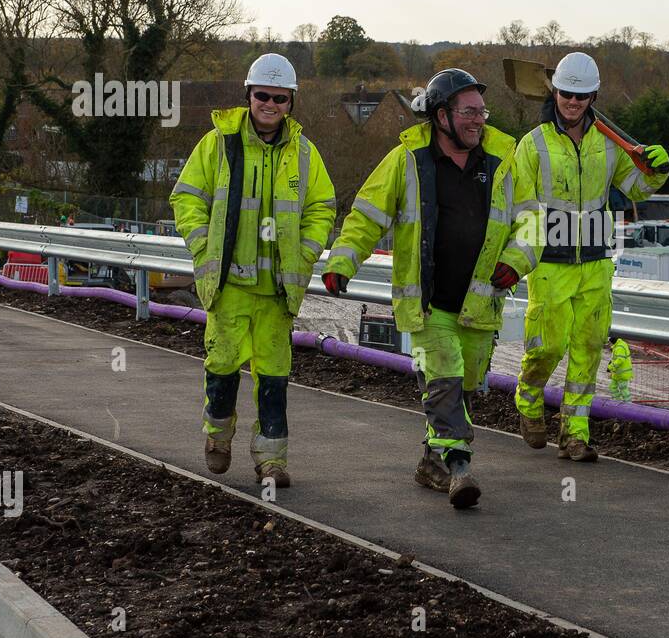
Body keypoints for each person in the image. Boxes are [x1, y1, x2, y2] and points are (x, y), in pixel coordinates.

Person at [322, 68, 539, 508]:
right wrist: (342, 262)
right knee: (444, 381)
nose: (479, 120)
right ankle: (459, 467)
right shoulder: (407, 161)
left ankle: (430, 461)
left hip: (480, 305)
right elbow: (367, 215)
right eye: (469, 112)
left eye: (482, 111)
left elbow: (532, 222)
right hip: (426, 304)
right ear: (441, 116)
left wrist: (516, 263)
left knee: (467, 388)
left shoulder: (503, 160)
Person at [170, 53, 336, 487]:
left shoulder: (303, 153)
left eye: (280, 98)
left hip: (278, 292)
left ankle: (271, 461)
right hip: (229, 287)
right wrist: (203, 246)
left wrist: (306, 253)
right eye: (263, 95)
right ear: (249, 95)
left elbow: (322, 207)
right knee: (221, 370)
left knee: (274, 381)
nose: (270, 104)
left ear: (291, 102)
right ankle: (217, 437)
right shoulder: (218, 144)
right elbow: (186, 198)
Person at [514, 52, 669, 461]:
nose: (572, 102)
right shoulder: (533, 145)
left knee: (587, 348)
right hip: (549, 262)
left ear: (592, 96)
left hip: (597, 262)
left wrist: (656, 170)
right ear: (555, 92)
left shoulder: (608, 144)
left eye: (581, 97)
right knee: (547, 347)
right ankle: (529, 398)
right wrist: (517, 259)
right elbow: (519, 208)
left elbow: (635, 188)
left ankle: (575, 435)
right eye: (566, 94)